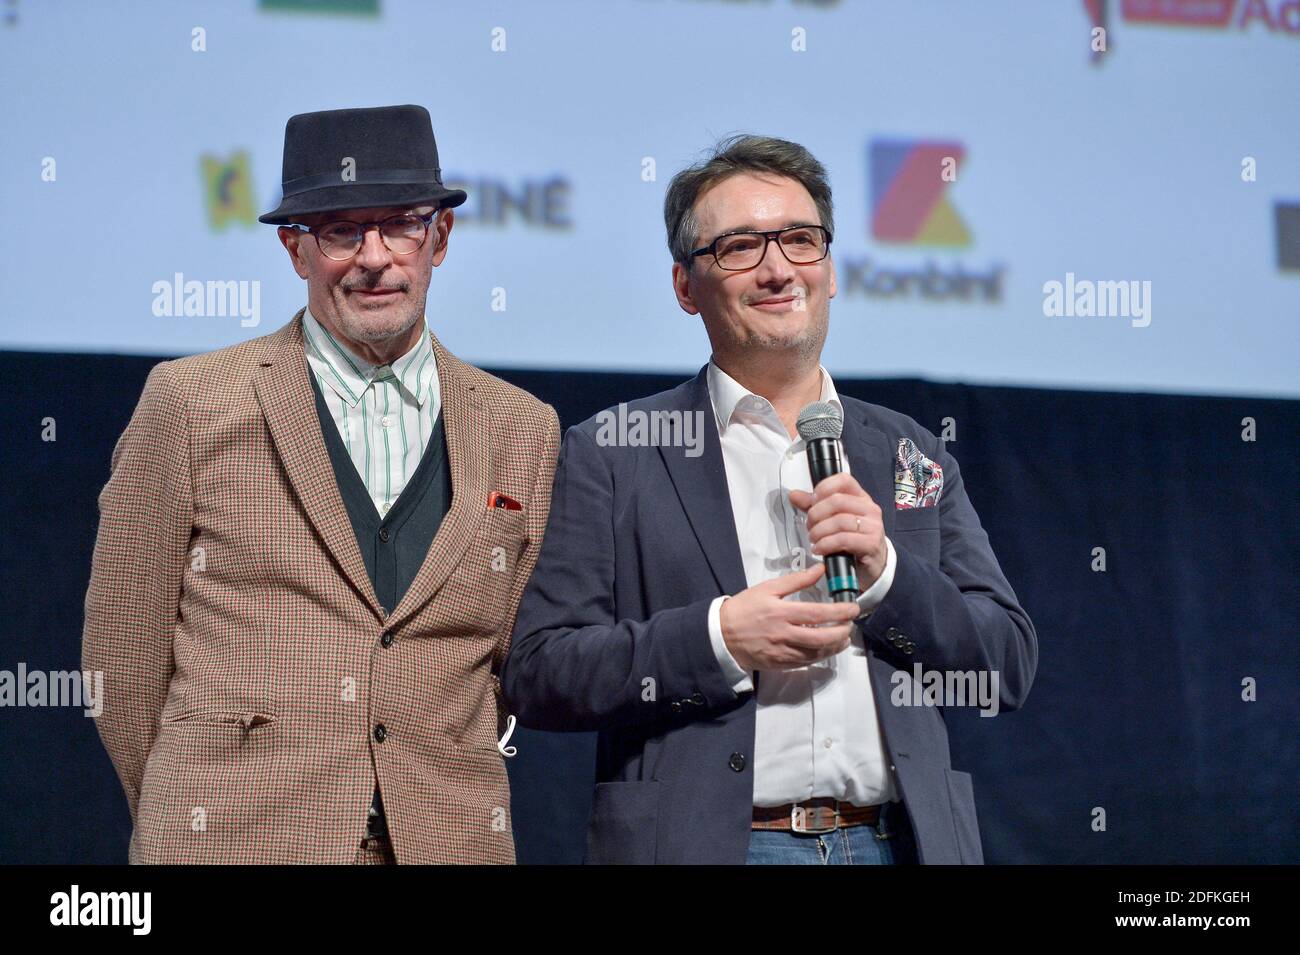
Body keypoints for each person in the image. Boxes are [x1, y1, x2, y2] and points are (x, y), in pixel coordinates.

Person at [502, 134, 1037, 865]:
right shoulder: (615, 449)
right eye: (740, 247)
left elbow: (1003, 666)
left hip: (896, 842)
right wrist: (722, 638)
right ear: (686, 287)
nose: (778, 267)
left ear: (832, 268)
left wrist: (886, 576)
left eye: (799, 239)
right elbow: (540, 673)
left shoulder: (911, 451)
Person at [83, 105, 560, 864]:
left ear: (439, 238)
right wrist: (190, 808)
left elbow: (508, 663)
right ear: (295, 248)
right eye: (341, 229)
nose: (374, 256)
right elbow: (121, 654)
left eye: (400, 223)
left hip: (447, 838)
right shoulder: (190, 401)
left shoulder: (520, 427)